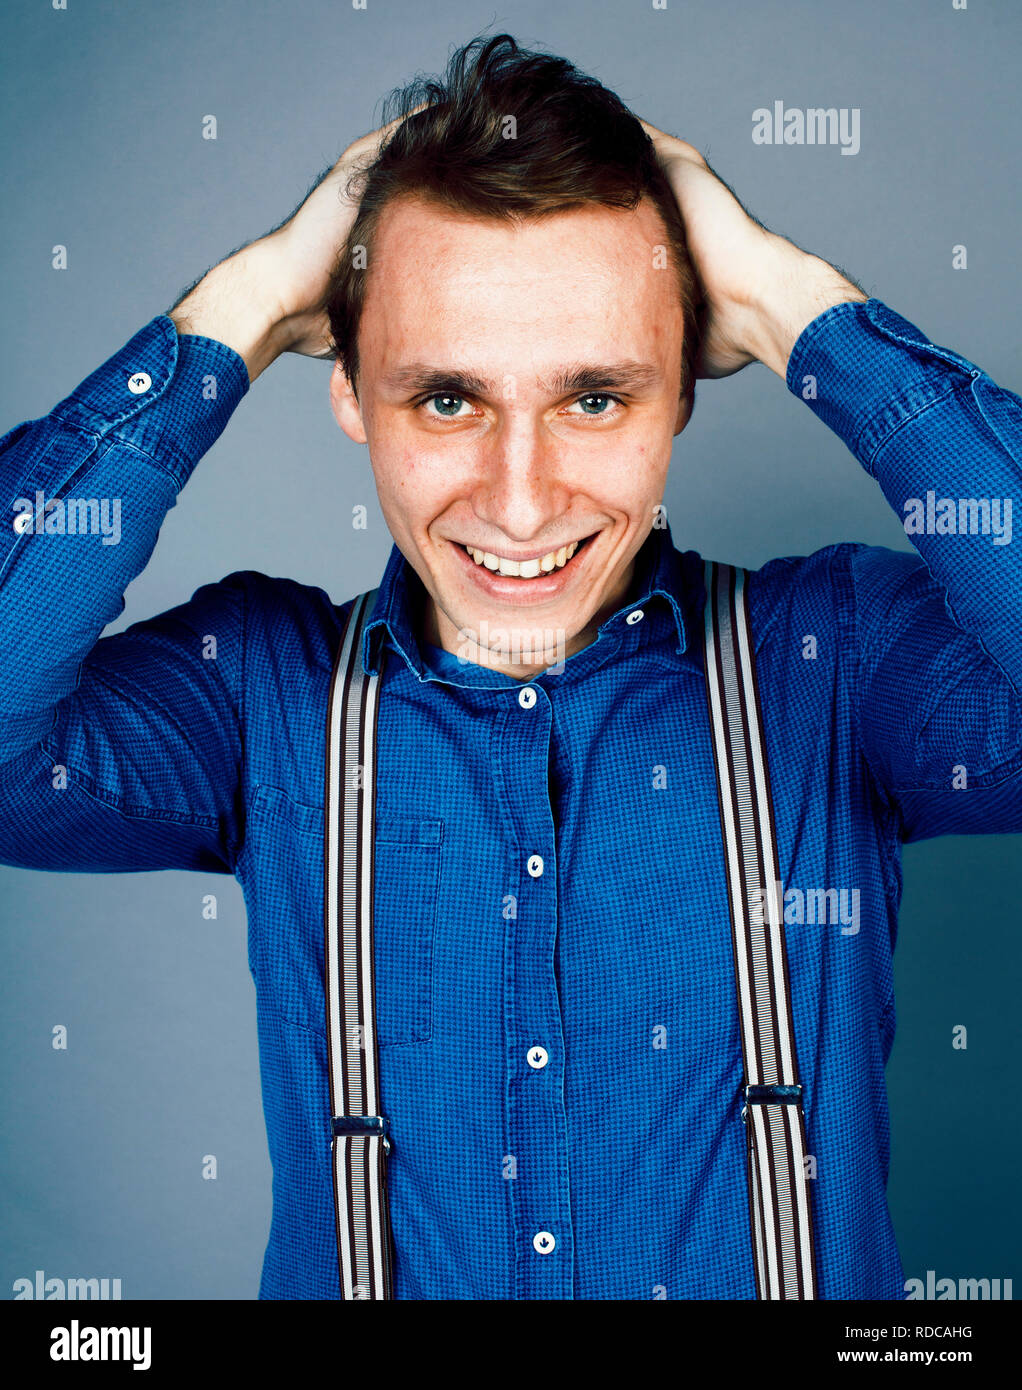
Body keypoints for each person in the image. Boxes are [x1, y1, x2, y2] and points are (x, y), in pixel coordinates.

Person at [1, 32, 1019, 1301]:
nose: (521, 501)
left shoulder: (835, 665)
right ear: (351, 393)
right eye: (444, 400)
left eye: (595, 397)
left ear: (684, 395)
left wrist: (785, 297)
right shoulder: (256, 692)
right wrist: (241, 308)